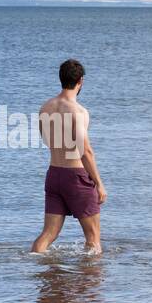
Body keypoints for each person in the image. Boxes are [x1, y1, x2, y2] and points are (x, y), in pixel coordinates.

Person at [31, 59, 106, 255]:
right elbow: (86, 151)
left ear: (61, 79)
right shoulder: (78, 111)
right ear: (80, 81)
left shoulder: (45, 108)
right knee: (93, 237)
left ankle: (36, 267)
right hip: (76, 177)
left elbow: (48, 140)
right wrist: (99, 183)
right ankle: (91, 281)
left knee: (48, 234)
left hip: (54, 175)